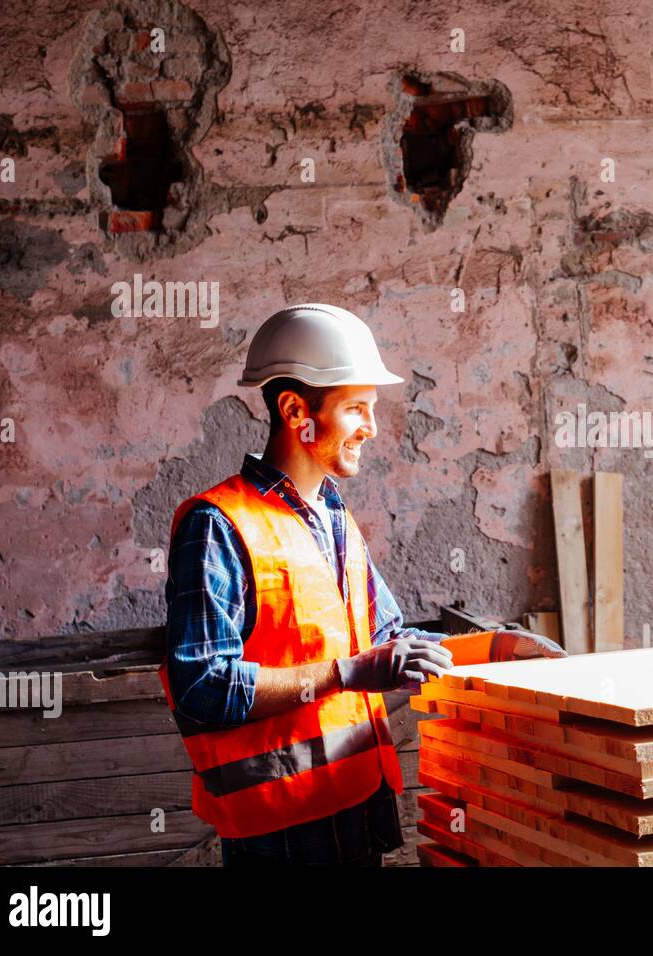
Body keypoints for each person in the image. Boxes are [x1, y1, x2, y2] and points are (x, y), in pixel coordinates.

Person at [160, 303, 565, 866]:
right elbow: (202, 688)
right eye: (356, 408)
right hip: (278, 831)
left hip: (355, 805)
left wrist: (497, 650)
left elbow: (392, 647)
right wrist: (348, 673)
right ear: (296, 410)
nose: (372, 428)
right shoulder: (218, 525)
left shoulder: (333, 516)